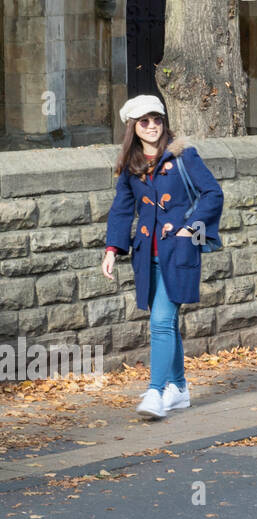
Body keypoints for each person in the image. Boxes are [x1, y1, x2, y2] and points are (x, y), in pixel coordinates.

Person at [103, 96, 224, 420]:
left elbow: (213, 193)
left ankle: (156, 392)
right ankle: (180, 388)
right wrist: (112, 249)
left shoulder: (184, 155)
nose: (152, 126)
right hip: (146, 256)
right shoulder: (132, 166)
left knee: (159, 322)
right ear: (133, 127)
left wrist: (191, 229)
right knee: (165, 322)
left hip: (179, 252)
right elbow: (122, 209)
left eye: (157, 119)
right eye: (145, 121)